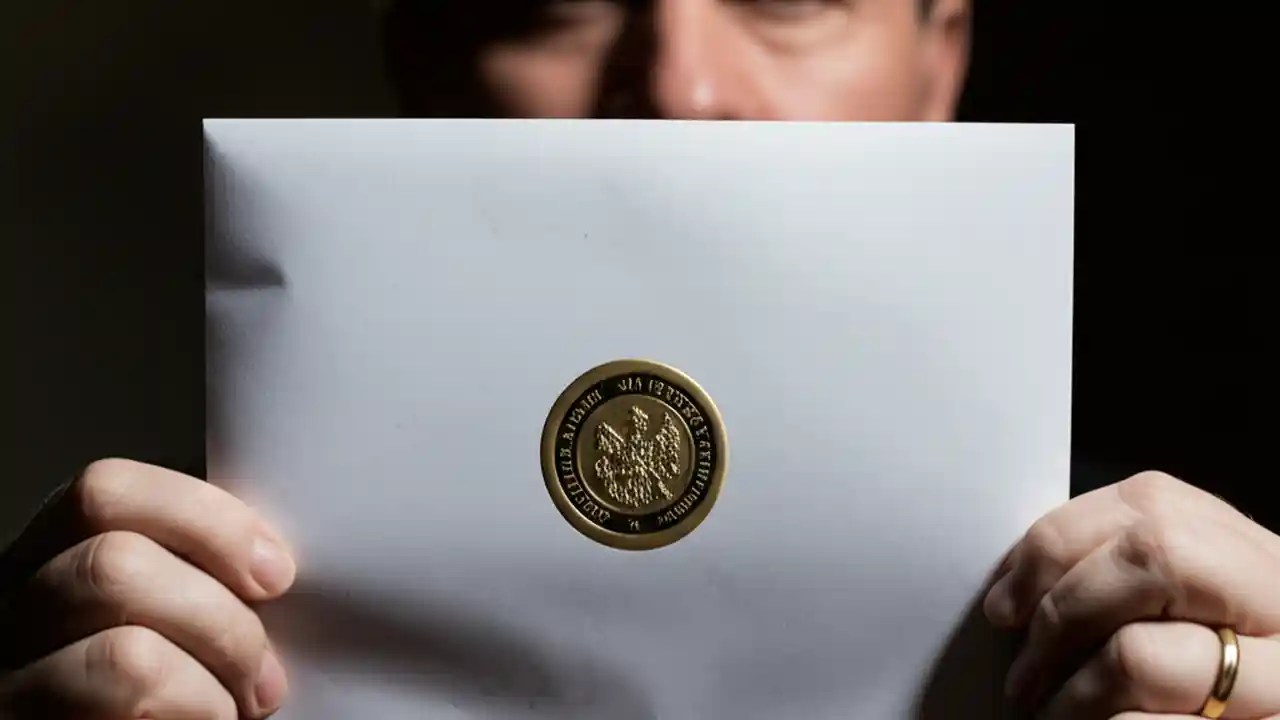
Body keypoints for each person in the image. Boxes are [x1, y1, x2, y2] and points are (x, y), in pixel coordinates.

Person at [2, 2, 1276, 719]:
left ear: (937, 59)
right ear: (418, 59)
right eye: (554, 0)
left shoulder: (1171, 631)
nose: (678, 86)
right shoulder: (157, 635)